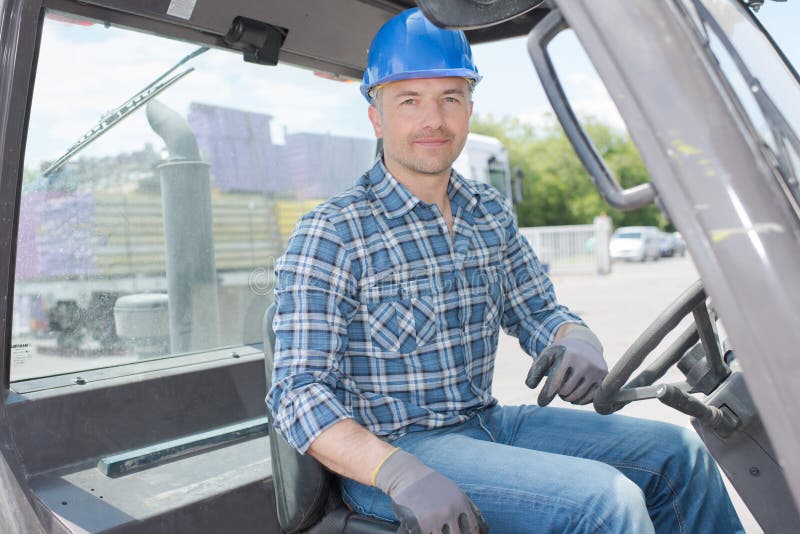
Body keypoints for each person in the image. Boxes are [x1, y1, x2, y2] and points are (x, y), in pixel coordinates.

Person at [267, 7, 743, 533]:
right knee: (606, 501)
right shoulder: (333, 232)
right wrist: (400, 474)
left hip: (491, 423)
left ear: (470, 106)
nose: (434, 119)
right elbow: (298, 392)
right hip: (396, 455)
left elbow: (539, 310)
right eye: (409, 100)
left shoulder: (487, 211)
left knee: (679, 451)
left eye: (451, 98)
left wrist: (576, 337)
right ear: (376, 115)